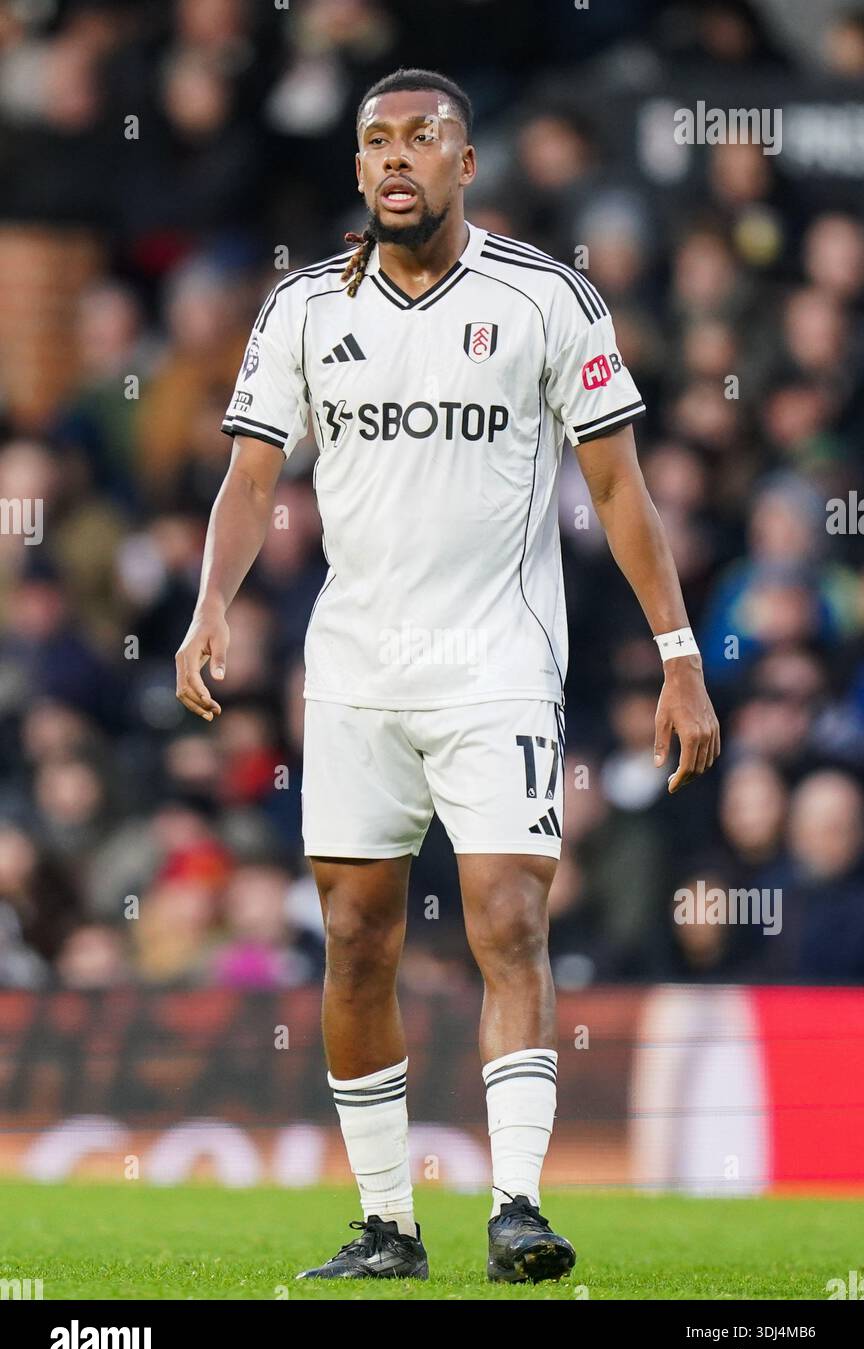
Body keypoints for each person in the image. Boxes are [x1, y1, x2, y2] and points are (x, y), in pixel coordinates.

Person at [175, 67, 720, 1282]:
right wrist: (211, 604)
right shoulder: (304, 307)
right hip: (358, 670)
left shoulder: (546, 298)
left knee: (507, 921)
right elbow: (254, 476)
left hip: (497, 662)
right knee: (356, 937)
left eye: (424, 138)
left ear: (467, 164)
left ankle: (517, 1205)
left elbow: (618, 485)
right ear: (357, 167)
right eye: (376, 141)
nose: (396, 158)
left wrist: (679, 657)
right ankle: (385, 1223)